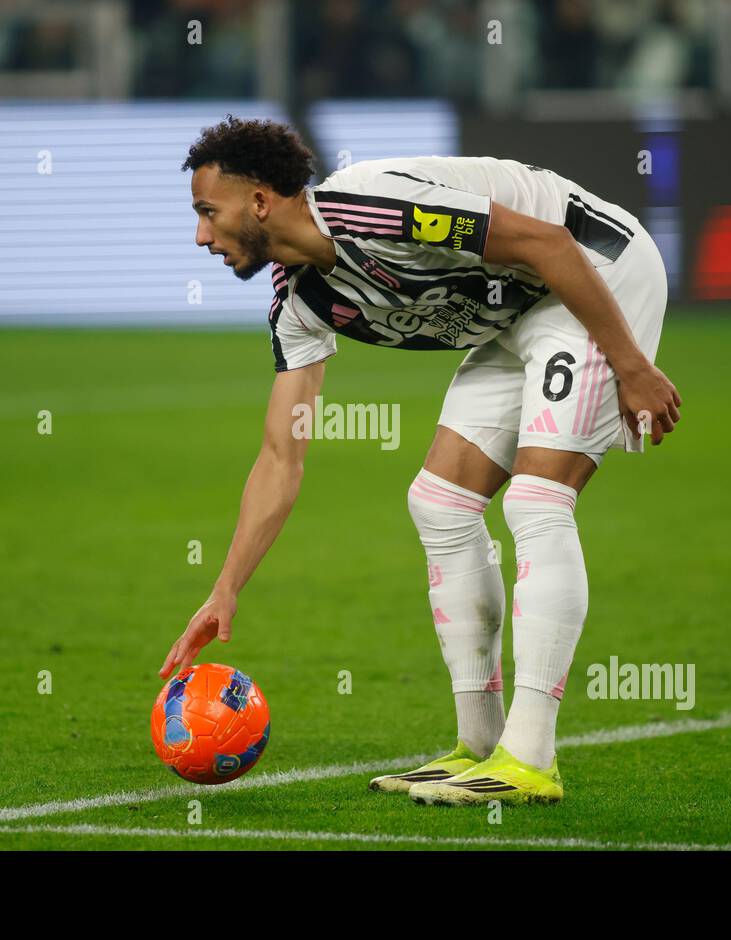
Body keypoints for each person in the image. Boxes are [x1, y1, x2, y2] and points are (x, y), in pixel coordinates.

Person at [162, 115, 680, 805]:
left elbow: (547, 240)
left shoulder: (378, 208)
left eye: (207, 212)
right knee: (439, 502)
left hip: (593, 271)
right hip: (520, 309)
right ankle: (480, 745)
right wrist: (225, 587)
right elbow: (280, 456)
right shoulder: (300, 303)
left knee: (536, 499)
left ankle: (531, 759)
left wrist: (632, 366)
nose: (201, 235)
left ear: (259, 201)